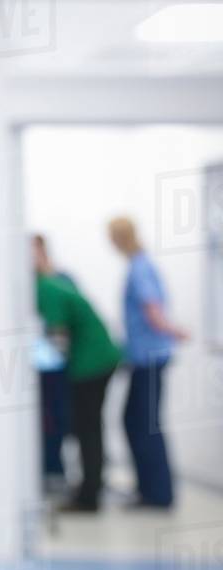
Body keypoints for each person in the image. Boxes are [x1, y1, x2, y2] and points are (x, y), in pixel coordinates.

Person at [32, 235, 121, 512]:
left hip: (92, 362)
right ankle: (89, 490)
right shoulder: (52, 283)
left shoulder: (45, 287)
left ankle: (88, 496)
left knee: (87, 428)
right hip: (95, 358)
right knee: (88, 427)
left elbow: (59, 337)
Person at [108, 216, 187, 510]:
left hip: (150, 358)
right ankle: (148, 489)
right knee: (134, 421)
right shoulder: (138, 265)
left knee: (145, 425)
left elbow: (152, 310)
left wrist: (175, 331)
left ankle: (159, 493)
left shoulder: (140, 268)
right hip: (142, 357)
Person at [31, 235, 74, 489]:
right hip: (39, 367)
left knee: (57, 420)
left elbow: (62, 329)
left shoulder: (58, 282)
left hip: (59, 367)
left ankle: (56, 473)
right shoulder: (30, 284)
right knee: (43, 421)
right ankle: (46, 471)